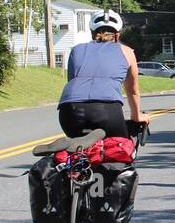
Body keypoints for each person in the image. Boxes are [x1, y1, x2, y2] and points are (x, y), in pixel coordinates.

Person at [58, 9, 149, 140]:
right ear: (117, 35)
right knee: (120, 148)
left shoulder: (76, 50)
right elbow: (133, 91)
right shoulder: (127, 52)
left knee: (77, 152)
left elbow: (73, 82)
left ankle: (62, 157)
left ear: (92, 33)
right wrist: (137, 116)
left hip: (69, 110)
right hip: (107, 110)